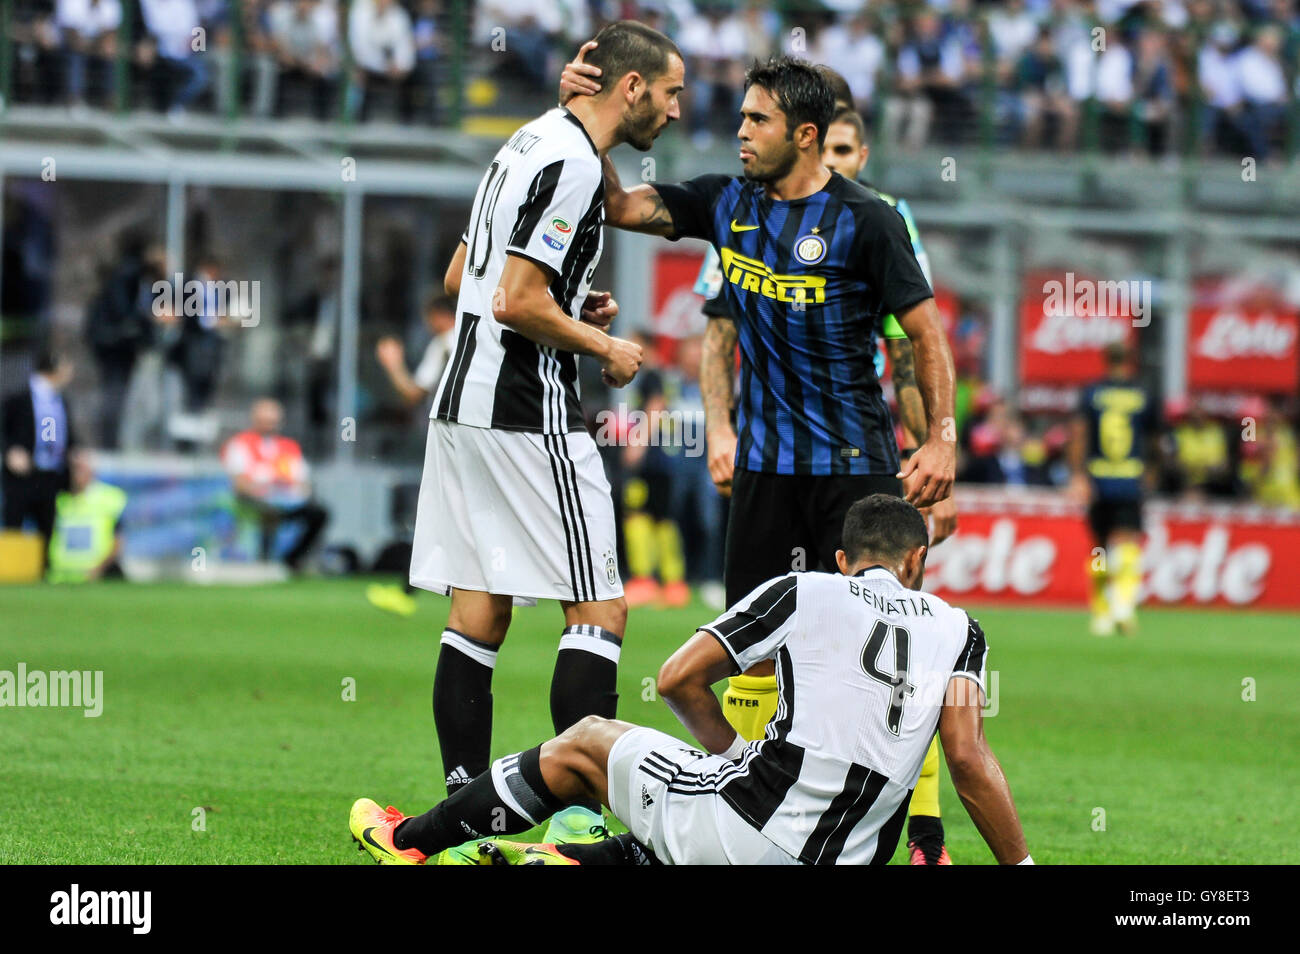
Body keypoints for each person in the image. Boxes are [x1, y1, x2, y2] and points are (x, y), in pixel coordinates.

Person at [562, 52, 959, 863]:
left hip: (855, 472)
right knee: (747, 657)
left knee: (882, 662)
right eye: (741, 117)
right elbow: (622, 205)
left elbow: (924, 335)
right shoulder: (727, 203)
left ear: (804, 135)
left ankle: (904, 832)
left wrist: (941, 437)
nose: (739, 132)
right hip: (767, 473)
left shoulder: (870, 221)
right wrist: (587, 117)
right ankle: (746, 803)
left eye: (757, 120)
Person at [349, 495, 1032, 866]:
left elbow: (677, 679)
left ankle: (407, 842)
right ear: (917, 560)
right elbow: (968, 760)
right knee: (685, 816)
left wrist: (736, 754)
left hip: (755, 831)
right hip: (847, 858)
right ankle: (560, 862)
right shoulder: (960, 629)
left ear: (842, 558)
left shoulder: (805, 590)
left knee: (587, 742)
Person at [405, 20, 676, 858]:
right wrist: (603, 344)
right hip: (528, 412)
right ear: (631, 87)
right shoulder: (574, 164)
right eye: (669, 93)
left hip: (461, 406)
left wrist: (569, 304)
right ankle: (577, 820)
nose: (673, 111)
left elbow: (463, 277)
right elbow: (514, 301)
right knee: (600, 608)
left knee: (478, 610)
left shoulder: (524, 141)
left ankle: (461, 816)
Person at [1069, 342, 1158, 637]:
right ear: (1131, 361)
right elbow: (1155, 439)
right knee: (1127, 540)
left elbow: (1079, 434)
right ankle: (1123, 605)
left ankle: (1101, 613)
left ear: (1105, 360)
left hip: (1098, 477)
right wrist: (1152, 473)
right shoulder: (1143, 394)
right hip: (1130, 477)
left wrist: (1078, 475)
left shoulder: (1092, 393)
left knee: (1099, 545)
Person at [221, 398, 329, 572]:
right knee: (269, 513)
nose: (270, 426)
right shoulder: (240, 444)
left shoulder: (289, 447)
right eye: (265, 421)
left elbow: (303, 482)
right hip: (253, 502)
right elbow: (239, 483)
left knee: (319, 513)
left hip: (287, 502)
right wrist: (265, 491)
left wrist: (295, 493)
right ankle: (264, 562)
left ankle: (293, 560)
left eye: (273, 421)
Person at [3, 347, 79, 570]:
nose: (70, 371)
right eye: (66, 365)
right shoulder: (19, 397)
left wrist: (75, 454)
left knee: (47, 528)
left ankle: (43, 573)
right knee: (14, 527)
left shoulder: (60, 401)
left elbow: (63, 435)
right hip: (21, 474)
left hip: (50, 474)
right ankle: (12, 573)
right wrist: (9, 451)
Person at [47, 450, 128, 583]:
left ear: (92, 471)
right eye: (74, 469)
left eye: (81, 469)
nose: (77, 474)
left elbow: (118, 540)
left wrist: (99, 569)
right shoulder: (58, 499)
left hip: (95, 576)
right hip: (59, 577)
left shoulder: (110, 498)